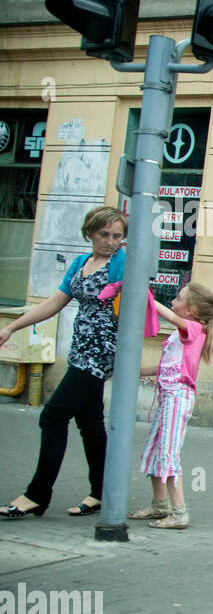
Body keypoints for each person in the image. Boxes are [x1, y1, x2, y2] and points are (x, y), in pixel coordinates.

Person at [1, 207, 127, 519]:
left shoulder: (121, 263)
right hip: (80, 351)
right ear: (90, 232)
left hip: (101, 352)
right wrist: (11, 327)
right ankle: (101, 492)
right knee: (90, 425)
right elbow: (53, 304)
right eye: (104, 234)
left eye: (117, 236)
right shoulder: (81, 263)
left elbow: (140, 301)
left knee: (53, 417)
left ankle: (37, 495)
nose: (111, 241)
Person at [125, 283, 213, 530]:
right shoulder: (180, 333)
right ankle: (160, 504)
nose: (173, 302)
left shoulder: (194, 329)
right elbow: (167, 364)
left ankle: (179, 512)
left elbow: (169, 315)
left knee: (168, 453)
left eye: (178, 299)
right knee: (155, 450)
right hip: (167, 398)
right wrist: (140, 372)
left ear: (192, 311)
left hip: (178, 397)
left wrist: (143, 296)